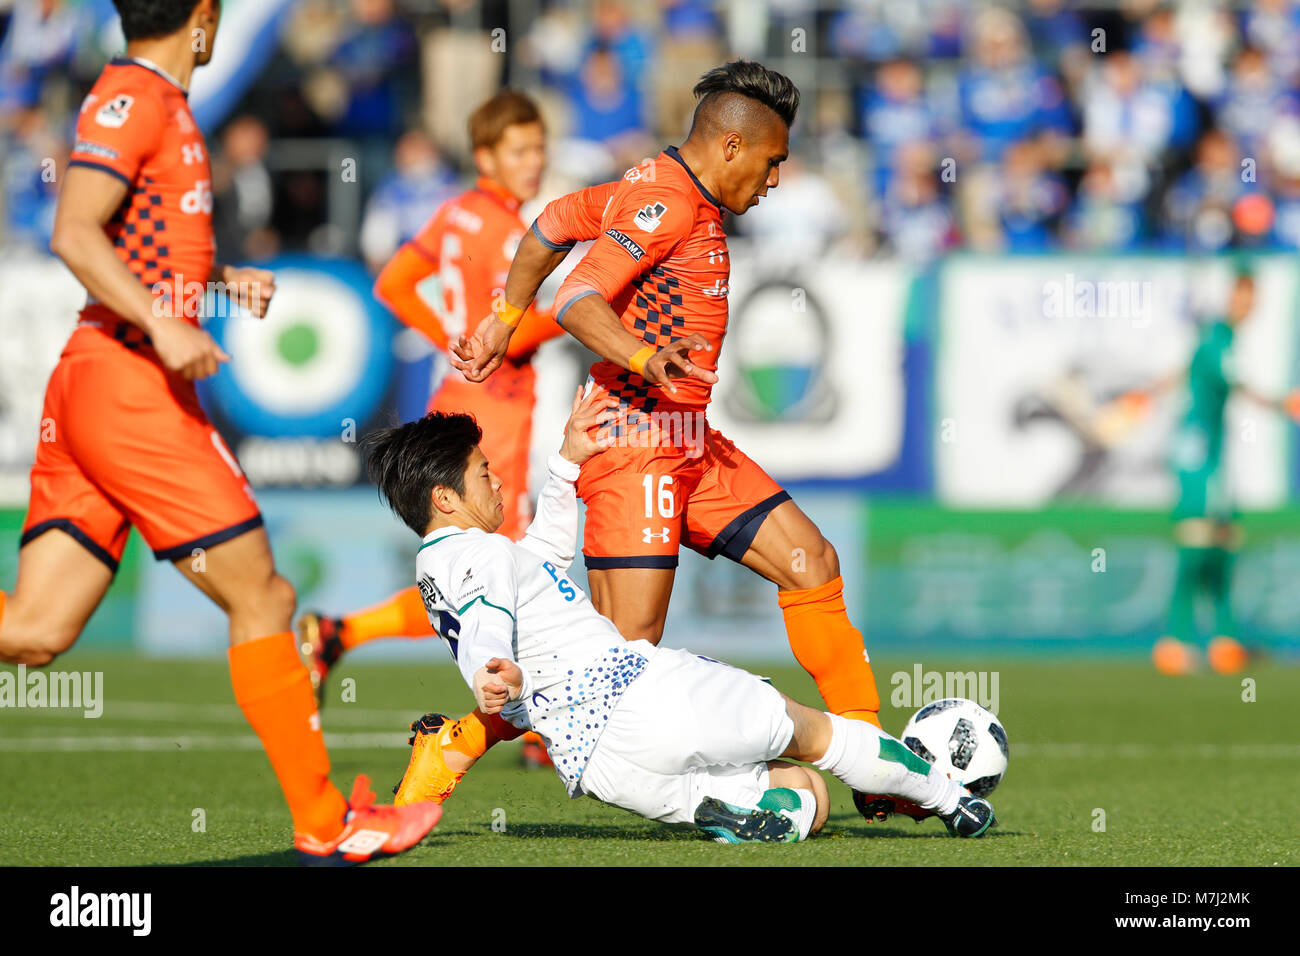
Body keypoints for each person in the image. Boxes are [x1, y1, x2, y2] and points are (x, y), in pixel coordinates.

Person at [0, 0, 440, 866]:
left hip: (100, 379)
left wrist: (216, 281)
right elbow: (74, 231)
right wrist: (163, 326)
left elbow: (137, 243)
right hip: (130, 384)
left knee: (36, 633)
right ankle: (326, 821)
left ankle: (327, 819)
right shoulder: (133, 98)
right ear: (203, 17)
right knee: (264, 598)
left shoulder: (157, 101)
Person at [418, 60, 912, 826]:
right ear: (732, 147)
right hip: (632, 447)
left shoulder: (651, 185)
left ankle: (875, 761)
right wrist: (643, 356)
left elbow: (550, 225)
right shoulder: (663, 201)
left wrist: (505, 317)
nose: (776, 179)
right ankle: (454, 746)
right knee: (619, 663)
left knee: (811, 561)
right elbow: (579, 296)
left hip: (691, 441)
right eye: (772, 161)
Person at [369, 388, 997, 842]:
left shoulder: (447, 562)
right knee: (819, 737)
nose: (498, 482)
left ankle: (740, 814)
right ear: (445, 497)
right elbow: (486, 621)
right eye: (484, 473)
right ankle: (954, 801)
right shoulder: (477, 556)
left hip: (597, 766)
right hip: (640, 695)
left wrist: (565, 462)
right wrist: (489, 670)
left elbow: (543, 557)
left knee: (809, 799)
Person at [297, 90, 565, 765]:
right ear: (485, 156)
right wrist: (581, 310)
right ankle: (532, 725)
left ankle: (339, 633)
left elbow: (393, 282)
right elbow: (522, 326)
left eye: (539, 148)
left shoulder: (454, 214)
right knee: (505, 569)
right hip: (495, 406)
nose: (535, 162)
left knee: (477, 572)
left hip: (460, 397)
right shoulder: (504, 228)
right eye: (520, 150)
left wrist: (451, 338)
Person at [1141, 268, 1300, 674]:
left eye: (1253, 299)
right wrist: (1283, 403)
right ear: (1231, 298)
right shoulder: (1217, 337)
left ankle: (1224, 639)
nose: (1248, 306)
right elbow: (1236, 384)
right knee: (1198, 538)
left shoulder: (1220, 338)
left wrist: (1148, 391)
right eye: (1243, 298)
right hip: (1197, 450)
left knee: (1225, 537)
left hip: (1213, 450)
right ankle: (1175, 641)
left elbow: (1185, 372)